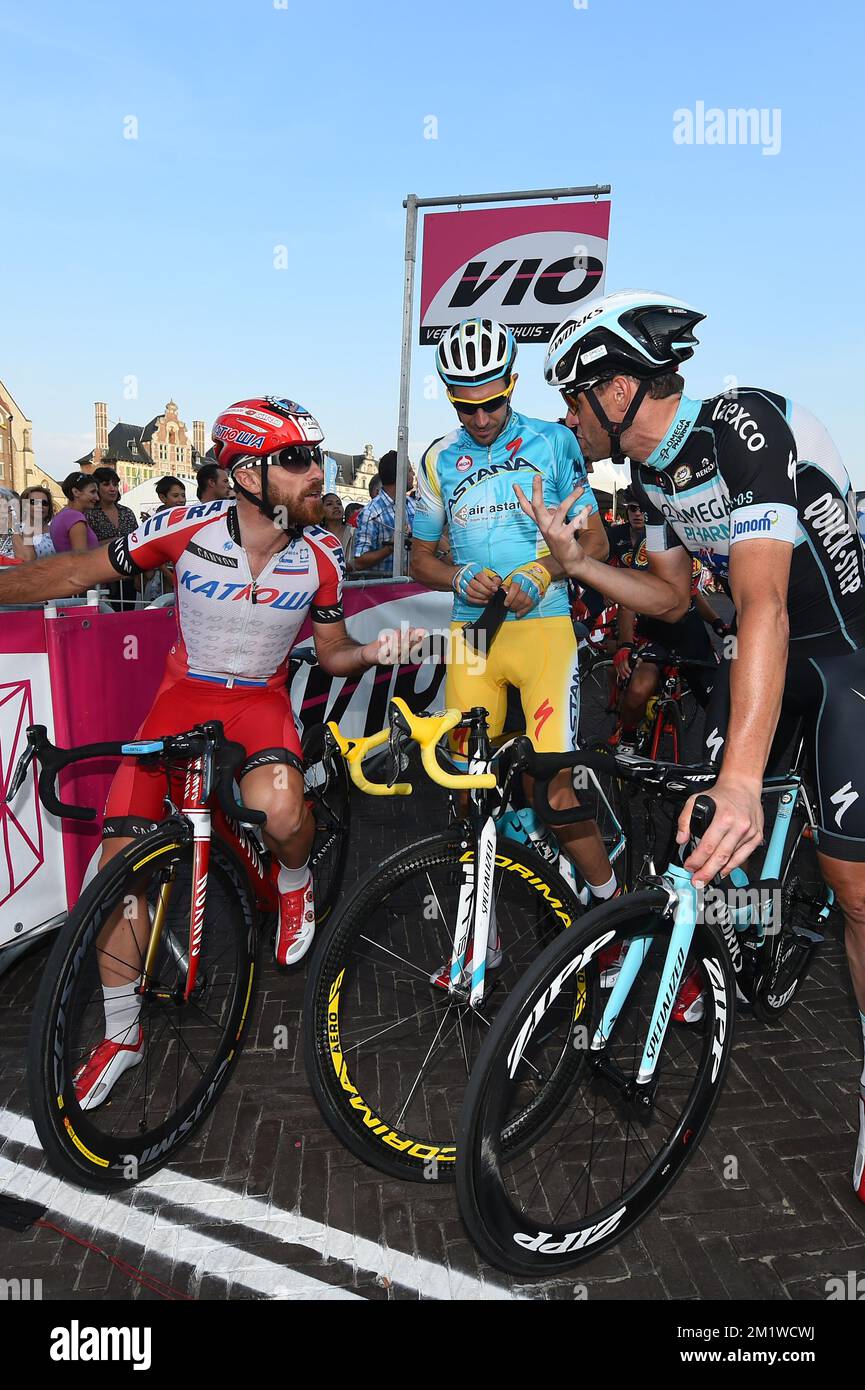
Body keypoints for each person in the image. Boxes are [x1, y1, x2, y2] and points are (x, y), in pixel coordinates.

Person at [520, 288, 865, 1200]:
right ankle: (709, 946)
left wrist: (744, 778)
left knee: (854, 887)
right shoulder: (658, 477)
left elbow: (762, 603)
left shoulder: (740, 426)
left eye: (571, 396)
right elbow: (675, 600)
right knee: (689, 825)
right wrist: (580, 564)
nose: (566, 417)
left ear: (618, 388)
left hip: (837, 657)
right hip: (757, 657)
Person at [0, 395, 423, 1105]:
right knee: (119, 873)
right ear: (247, 473)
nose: (316, 473)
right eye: (297, 460)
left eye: (316, 457)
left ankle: (292, 885)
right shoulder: (182, 527)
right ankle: (123, 1033)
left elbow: (332, 652)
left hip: (259, 701)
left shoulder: (321, 557)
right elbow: (74, 575)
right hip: (183, 695)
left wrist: (375, 651)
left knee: (282, 810)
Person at [410, 316, 618, 971]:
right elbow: (420, 560)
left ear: (511, 383)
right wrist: (458, 573)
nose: (478, 418)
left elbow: (596, 544)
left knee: (551, 793)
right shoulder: (437, 460)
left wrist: (543, 568)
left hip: (543, 631)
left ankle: (613, 918)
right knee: (469, 789)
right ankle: (482, 938)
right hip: (474, 634)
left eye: (491, 402)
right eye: (462, 405)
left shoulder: (555, 443)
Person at [607, 489, 725, 747]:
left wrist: (717, 622)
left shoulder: (700, 541)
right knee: (638, 690)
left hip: (692, 635)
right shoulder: (651, 543)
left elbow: (693, 594)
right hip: (656, 631)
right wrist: (626, 645)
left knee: (721, 706)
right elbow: (630, 599)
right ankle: (627, 738)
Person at [353, 450, 416, 576]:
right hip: (384, 591)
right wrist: (390, 548)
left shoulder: (414, 505)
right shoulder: (370, 513)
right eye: (409, 470)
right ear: (399, 474)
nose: (413, 474)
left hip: (414, 589)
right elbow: (359, 561)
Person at [87, 466, 139, 609]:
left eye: (115, 484)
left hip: (128, 576)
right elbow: (88, 546)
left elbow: (138, 540)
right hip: (102, 577)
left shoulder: (126, 512)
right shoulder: (90, 513)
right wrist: (113, 542)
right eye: (106, 484)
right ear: (96, 487)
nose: (112, 488)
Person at [49, 472, 100, 555]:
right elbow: (80, 558)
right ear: (76, 492)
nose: (97, 498)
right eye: (92, 492)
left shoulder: (62, 514)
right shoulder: (75, 517)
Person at [20, 485, 57, 558]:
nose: (40, 506)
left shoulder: (56, 530)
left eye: (44, 503)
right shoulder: (15, 531)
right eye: (33, 502)